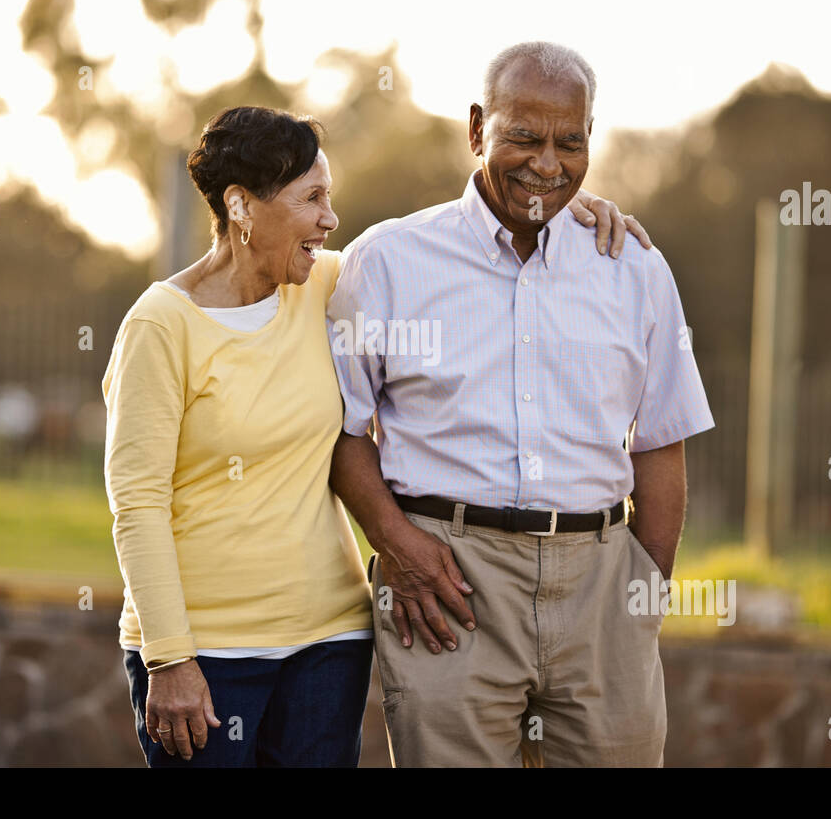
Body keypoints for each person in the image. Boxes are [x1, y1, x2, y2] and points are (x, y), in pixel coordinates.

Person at [103, 104, 648, 767]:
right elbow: (137, 506)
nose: (330, 220)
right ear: (242, 207)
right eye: (311, 199)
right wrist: (168, 656)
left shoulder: (325, 284)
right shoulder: (161, 326)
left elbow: (446, 249)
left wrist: (559, 199)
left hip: (326, 646)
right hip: (207, 653)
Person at [327, 41, 715, 767]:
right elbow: (345, 431)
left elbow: (661, 438)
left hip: (602, 580)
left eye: (571, 141)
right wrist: (395, 543)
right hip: (445, 581)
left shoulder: (633, 267)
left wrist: (644, 585)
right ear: (478, 129)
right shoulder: (386, 261)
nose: (548, 163)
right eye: (525, 137)